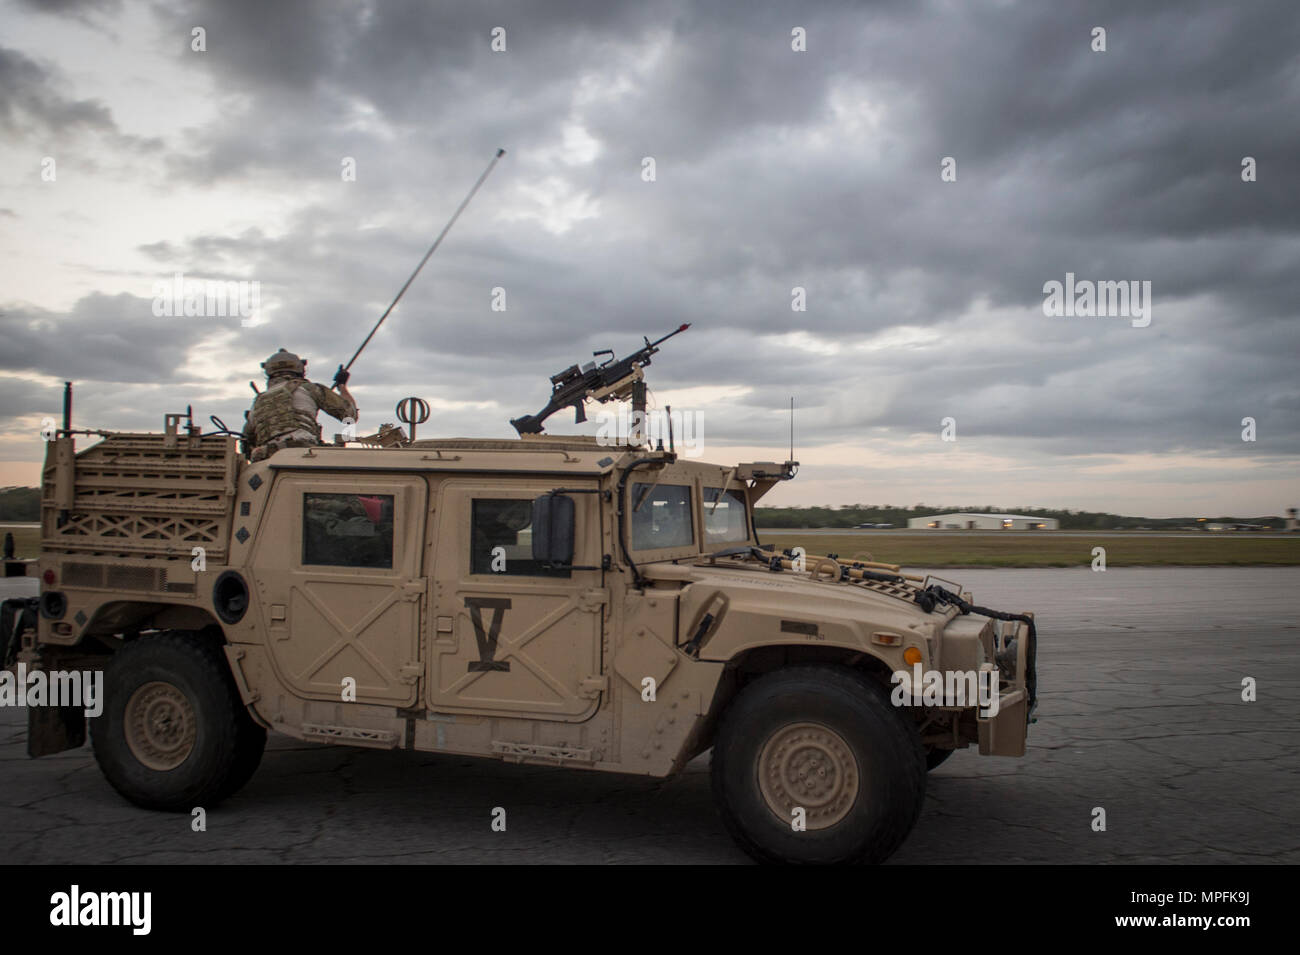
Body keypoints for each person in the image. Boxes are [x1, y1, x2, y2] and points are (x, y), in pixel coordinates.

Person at [243, 349, 358, 461]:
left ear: (268, 372)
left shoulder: (257, 402)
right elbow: (350, 415)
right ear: (300, 369)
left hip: (269, 459)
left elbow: (246, 445)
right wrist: (342, 386)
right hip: (303, 454)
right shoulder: (309, 389)